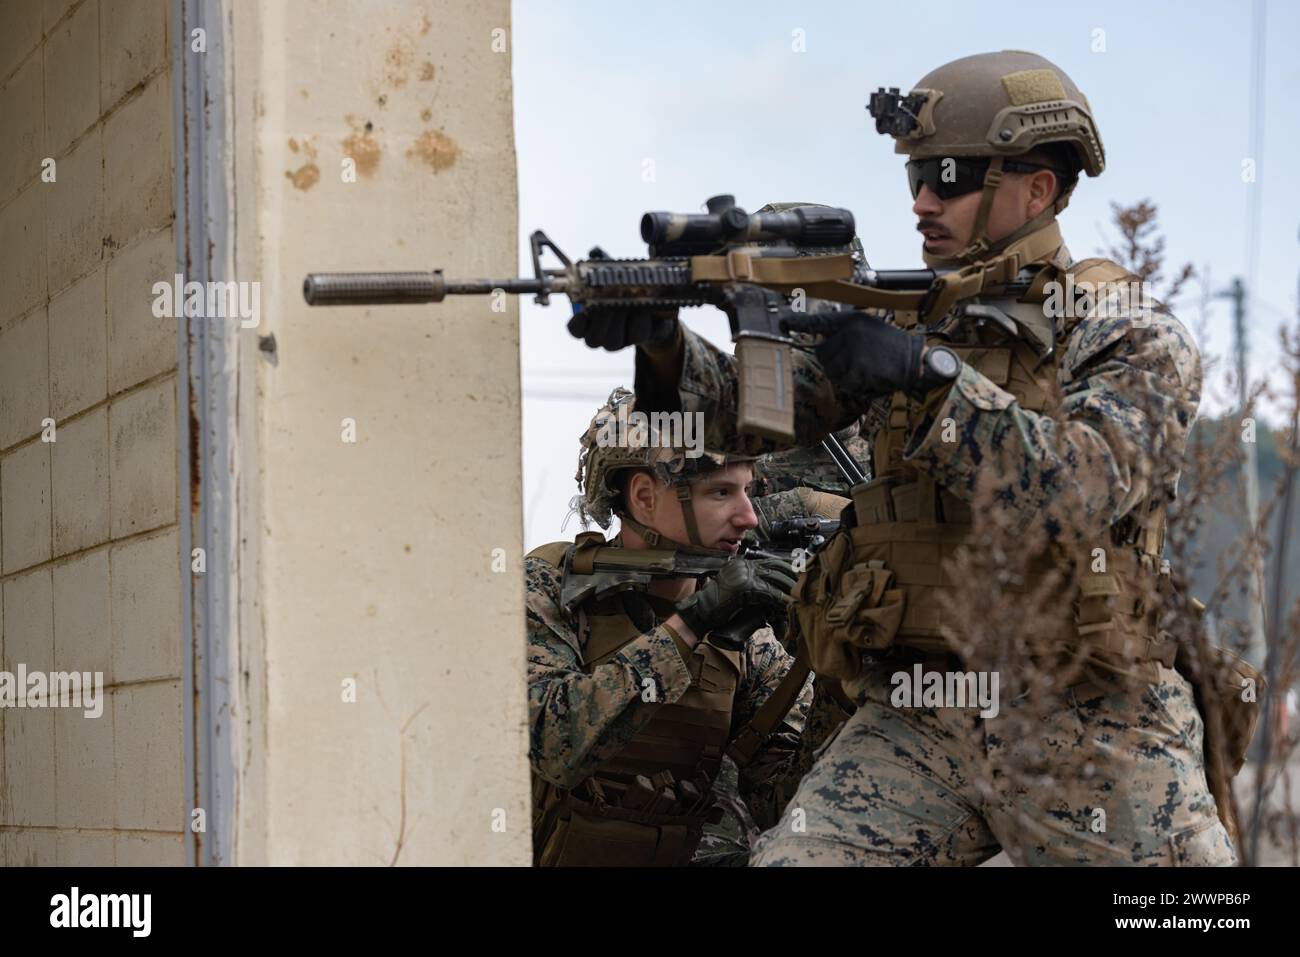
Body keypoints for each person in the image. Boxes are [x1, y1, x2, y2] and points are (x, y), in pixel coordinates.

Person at [567, 51, 1240, 865]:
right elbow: (756, 422)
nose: (923, 200)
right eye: (917, 176)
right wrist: (664, 344)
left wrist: (931, 385)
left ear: (1038, 186)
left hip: (1090, 711)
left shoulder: (1126, 331)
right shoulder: (919, 324)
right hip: (922, 708)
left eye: (950, 177)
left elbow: (1084, 485)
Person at [525, 387, 811, 865]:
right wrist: (692, 623)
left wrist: (838, 675)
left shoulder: (745, 635)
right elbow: (556, 743)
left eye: (747, 491)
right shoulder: (549, 587)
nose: (748, 517)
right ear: (644, 497)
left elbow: (784, 804)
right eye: (721, 492)